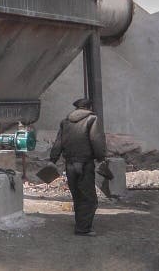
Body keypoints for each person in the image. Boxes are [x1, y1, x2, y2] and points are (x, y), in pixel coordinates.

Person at [49, 97, 107, 236]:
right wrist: (101, 158)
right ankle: (83, 228)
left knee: (77, 195)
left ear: (77, 108)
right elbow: (96, 140)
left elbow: (58, 143)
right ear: (89, 108)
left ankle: (80, 223)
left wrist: (52, 160)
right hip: (85, 164)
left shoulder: (65, 122)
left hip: (69, 165)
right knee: (88, 197)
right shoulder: (92, 120)